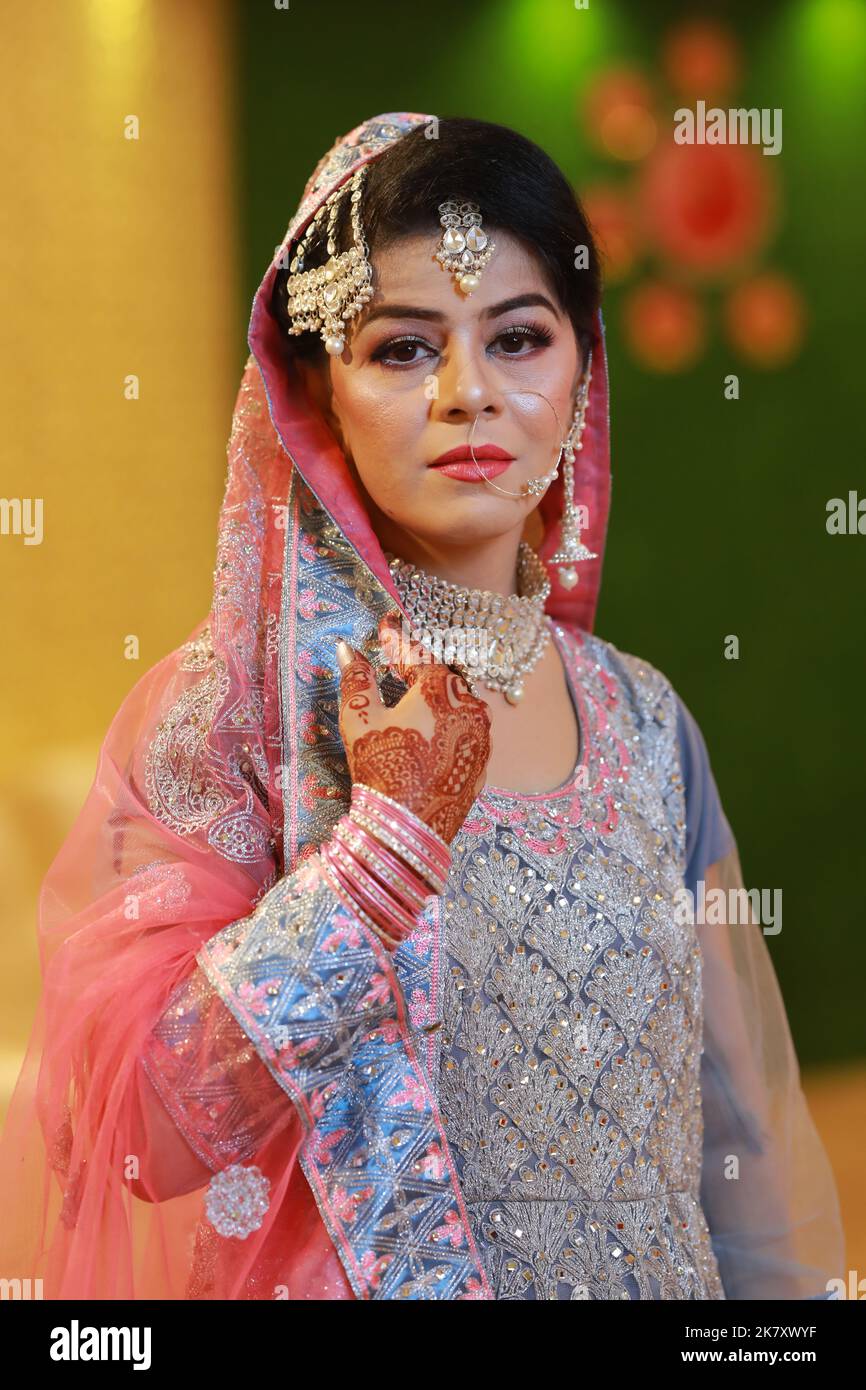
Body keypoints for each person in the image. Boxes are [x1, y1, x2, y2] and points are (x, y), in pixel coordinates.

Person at [0, 112, 845, 1301]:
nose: (467, 394)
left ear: (581, 371)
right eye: (401, 349)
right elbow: (135, 1136)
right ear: (314, 387)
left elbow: (738, 1145)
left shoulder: (645, 719)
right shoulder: (231, 716)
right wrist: (375, 861)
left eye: (518, 338)